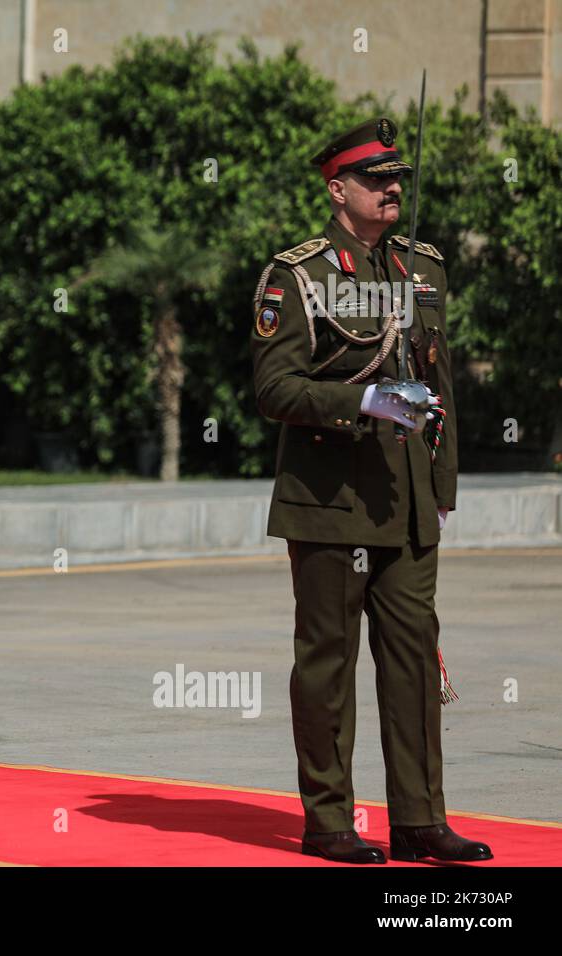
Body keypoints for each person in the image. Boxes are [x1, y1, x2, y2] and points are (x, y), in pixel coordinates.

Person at [250, 118, 491, 863]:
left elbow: (439, 376)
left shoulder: (423, 267)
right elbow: (272, 387)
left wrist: (442, 484)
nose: (392, 191)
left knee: (415, 658)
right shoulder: (299, 277)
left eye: (397, 181)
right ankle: (328, 821)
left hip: (408, 497)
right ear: (338, 189)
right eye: (378, 181)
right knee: (327, 663)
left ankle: (420, 818)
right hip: (329, 498)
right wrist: (358, 403)